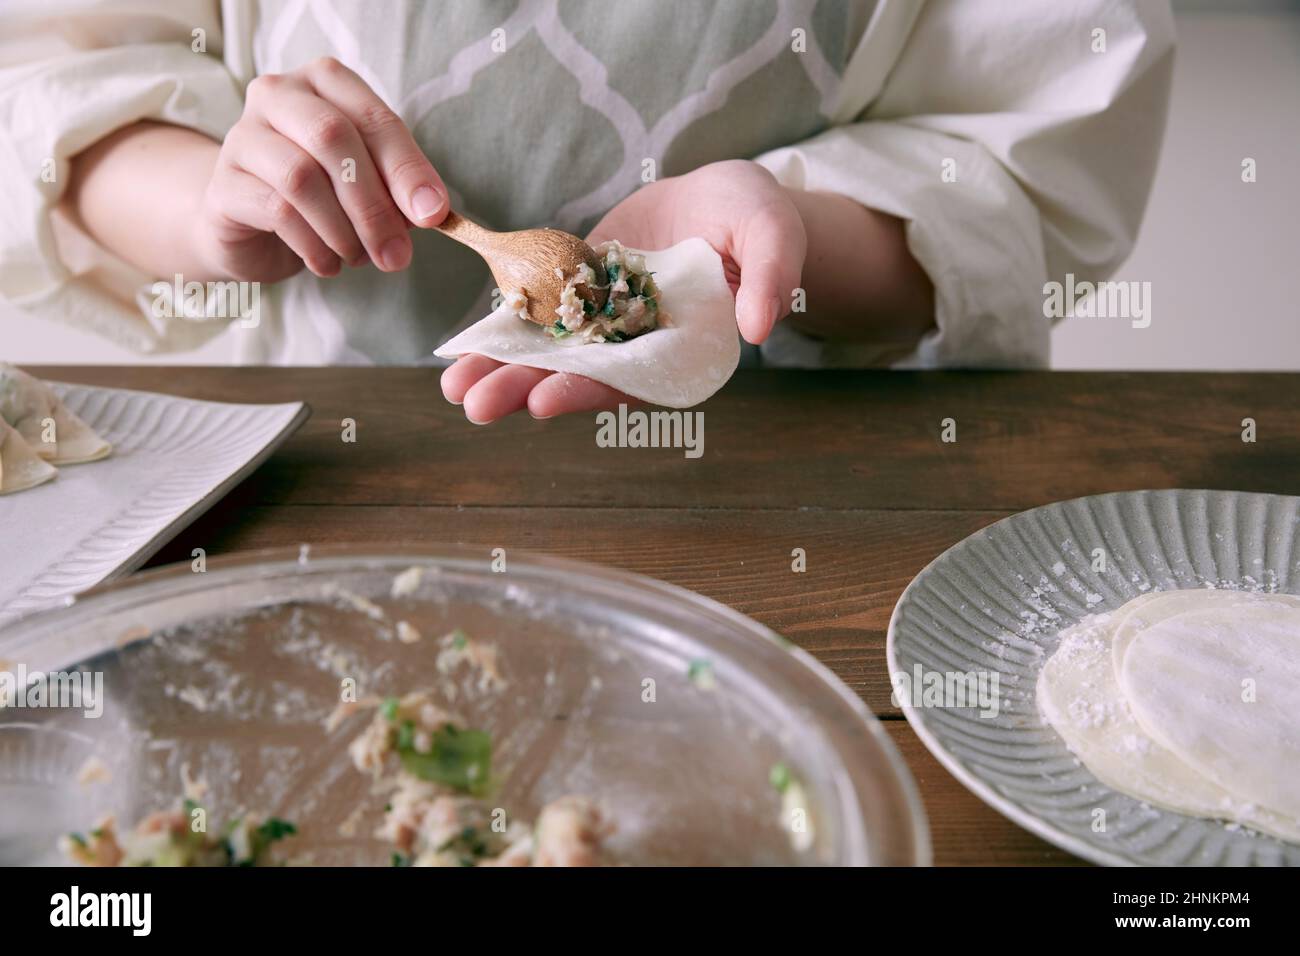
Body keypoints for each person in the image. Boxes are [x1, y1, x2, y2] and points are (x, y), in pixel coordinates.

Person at [0, 1, 1174, 423]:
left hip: (786, 476)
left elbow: (1021, 174)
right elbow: (57, 85)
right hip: (328, 455)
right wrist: (211, 207)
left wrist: (785, 234)